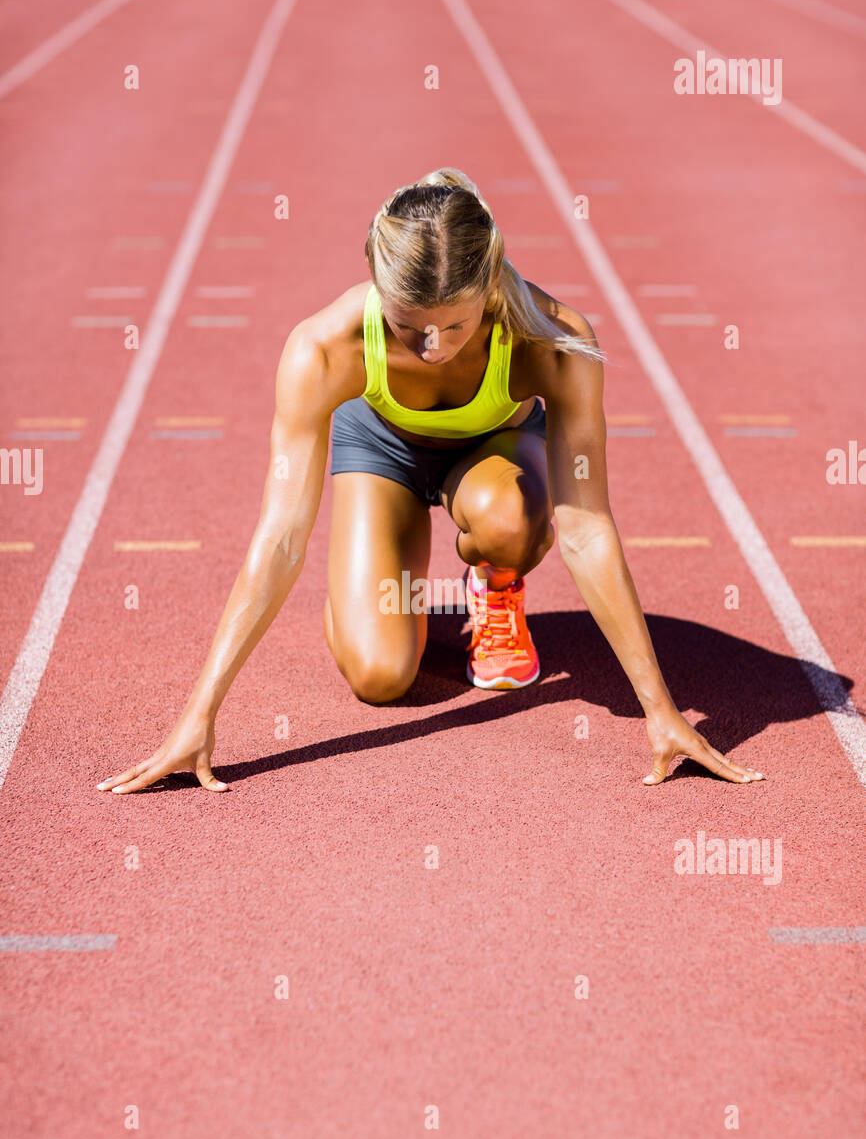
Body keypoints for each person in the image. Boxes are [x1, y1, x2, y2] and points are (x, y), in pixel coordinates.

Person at [97, 168, 764, 794]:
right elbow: (280, 536)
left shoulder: (554, 344)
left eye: (456, 325)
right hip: (381, 451)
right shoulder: (322, 350)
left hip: (494, 452)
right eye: (408, 328)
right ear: (376, 288)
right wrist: (200, 712)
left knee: (508, 520)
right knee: (381, 677)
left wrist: (662, 711)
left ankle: (494, 587)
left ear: (493, 286)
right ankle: (363, 590)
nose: (434, 348)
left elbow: (586, 527)